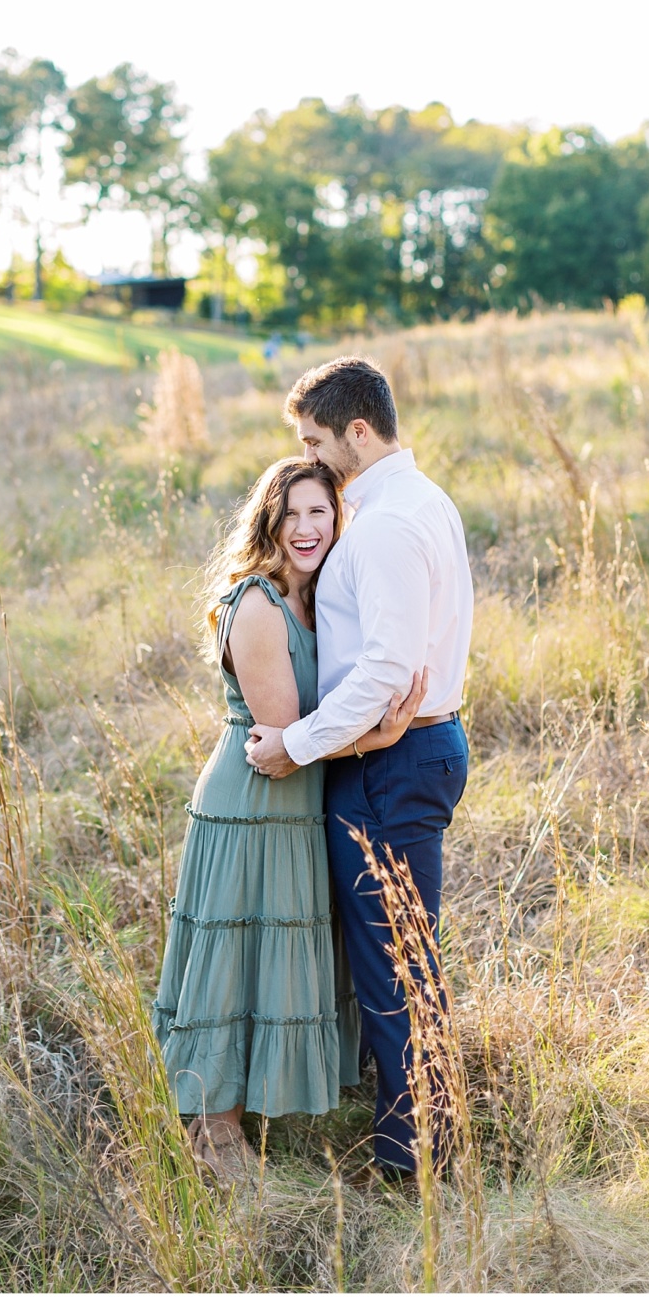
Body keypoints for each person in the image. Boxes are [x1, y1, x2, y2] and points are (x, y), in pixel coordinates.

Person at [152, 457, 427, 1187]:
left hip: (297, 806)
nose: (308, 529)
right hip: (254, 803)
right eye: (293, 514)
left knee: (272, 955)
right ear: (269, 522)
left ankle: (247, 1111)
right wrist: (384, 735)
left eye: (321, 513)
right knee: (236, 962)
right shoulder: (258, 605)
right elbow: (284, 736)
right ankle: (212, 1130)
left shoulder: (316, 604)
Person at [246, 357, 473, 1181]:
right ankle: (427, 1139)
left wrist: (295, 744)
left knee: (395, 965)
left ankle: (414, 1161)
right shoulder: (425, 501)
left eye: (315, 439)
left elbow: (383, 668)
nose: (309, 453)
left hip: (391, 760)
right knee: (406, 954)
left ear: (358, 432)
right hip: (412, 747)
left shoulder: (380, 526)